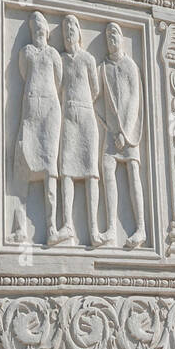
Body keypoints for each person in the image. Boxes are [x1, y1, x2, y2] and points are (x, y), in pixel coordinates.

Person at [10, 11, 64, 246]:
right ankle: (20, 227)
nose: (39, 29)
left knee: (50, 170)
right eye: (34, 27)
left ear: (47, 31)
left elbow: (58, 80)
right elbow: (24, 72)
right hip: (30, 114)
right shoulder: (26, 52)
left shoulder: (53, 54)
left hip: (51, 114)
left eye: (41, 25)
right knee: (22, 167)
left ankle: (52, 227)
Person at [58, 15, 106, 247]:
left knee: (91, 172)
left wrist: (82, 104)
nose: (68, 34)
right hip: (68, 117)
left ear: (79, 32)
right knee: (66, 169)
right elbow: (57, 87)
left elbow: (95, 88)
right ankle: (67, 224)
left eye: (72, 29)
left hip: (86, 116)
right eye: (65, 30)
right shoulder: (61, 59)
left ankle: (94, 229)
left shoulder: (87, 59)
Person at [97, 22, 146, 249]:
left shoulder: (130, 66)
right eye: (107, 35)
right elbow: (96, 99)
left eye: (114, 34)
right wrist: (110, 128)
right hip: (111, 131)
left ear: (122, 39)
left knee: (132, 171)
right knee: (107, 167)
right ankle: (111, 229)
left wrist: (125, 135)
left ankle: (141, 228)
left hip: (129, 131)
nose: (110, 38)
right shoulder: (103, 67)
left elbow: (134, 99)